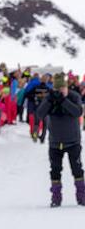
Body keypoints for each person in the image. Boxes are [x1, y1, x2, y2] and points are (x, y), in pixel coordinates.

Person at [36, 75, 84, 206]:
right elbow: (40, 114)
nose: (61, 91)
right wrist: (49, 101)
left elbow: (77, 112)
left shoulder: (74, 96)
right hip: (55, 142)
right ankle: (56, 198)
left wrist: (63, 101)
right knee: (55, 170)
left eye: (63, 88)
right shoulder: (50, 98)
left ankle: (81, 196)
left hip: (73, 141)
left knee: (77, 169)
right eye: (58, 89)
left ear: (67, 87)